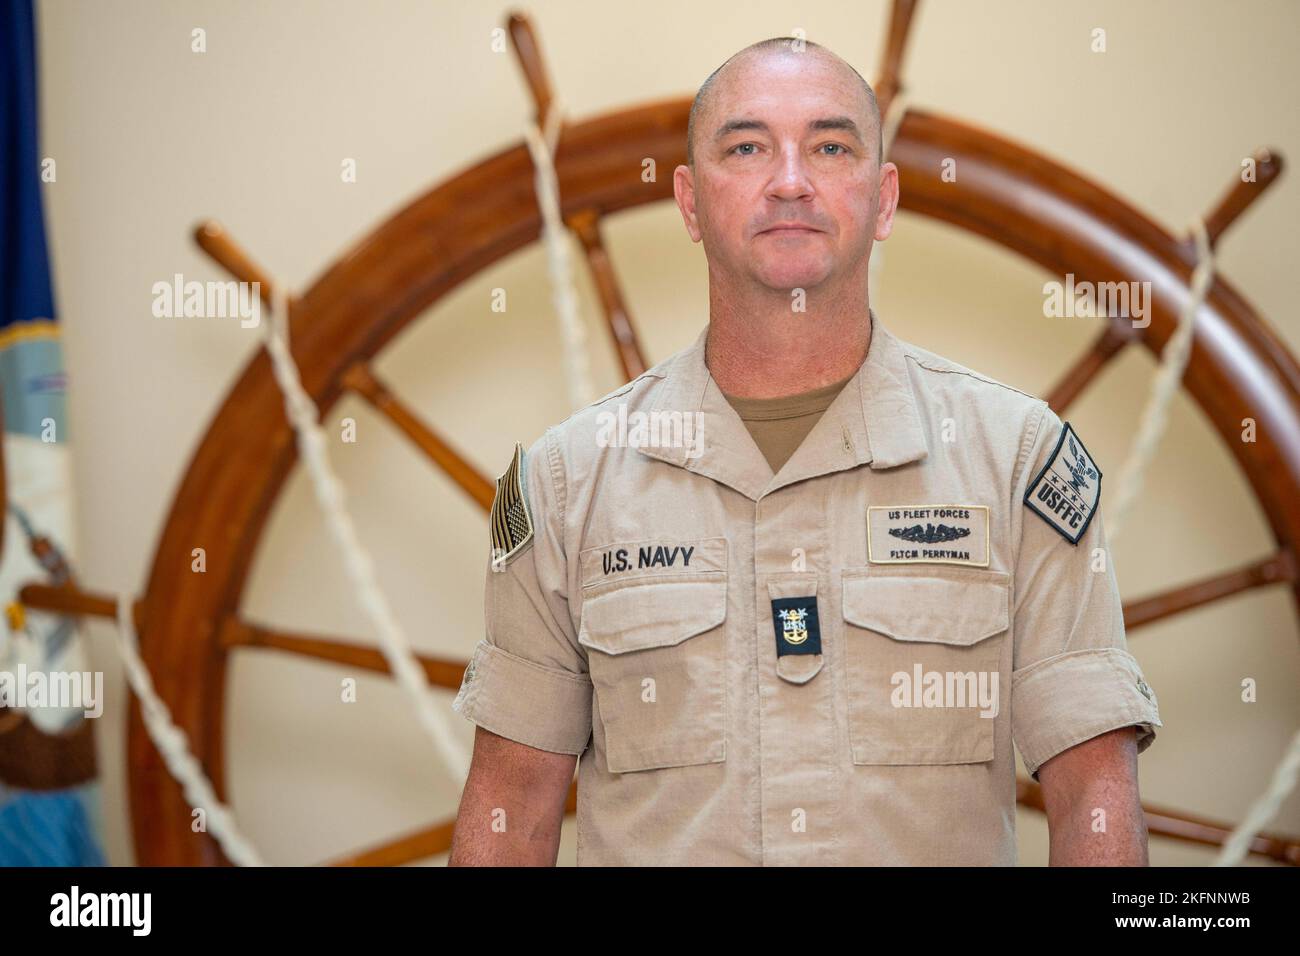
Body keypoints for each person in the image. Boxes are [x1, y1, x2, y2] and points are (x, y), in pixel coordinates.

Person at [448, 36, 1161, 866]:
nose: (791, 180)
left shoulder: (1016, 460)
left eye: (830, 146)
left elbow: (1093, 799)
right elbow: (510, 806)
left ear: (883, 197)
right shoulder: (568, 481)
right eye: (747, 147)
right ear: (688, 201)